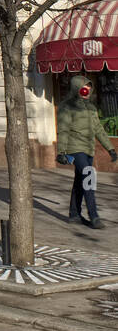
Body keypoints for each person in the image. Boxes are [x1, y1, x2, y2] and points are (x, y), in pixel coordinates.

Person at [56, 73, 118, 229]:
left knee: (80, 181)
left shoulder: (91, 107)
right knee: (89, 176)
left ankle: (74, 214)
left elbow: (98, 129)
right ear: (77, 89)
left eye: (89, 89)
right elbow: (63, 130)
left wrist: (110, 148)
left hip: (88, 148)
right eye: (84, 89)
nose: (87, 92)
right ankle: (94, 216)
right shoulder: (66, 106)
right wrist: (61, 152)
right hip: (74, 148)